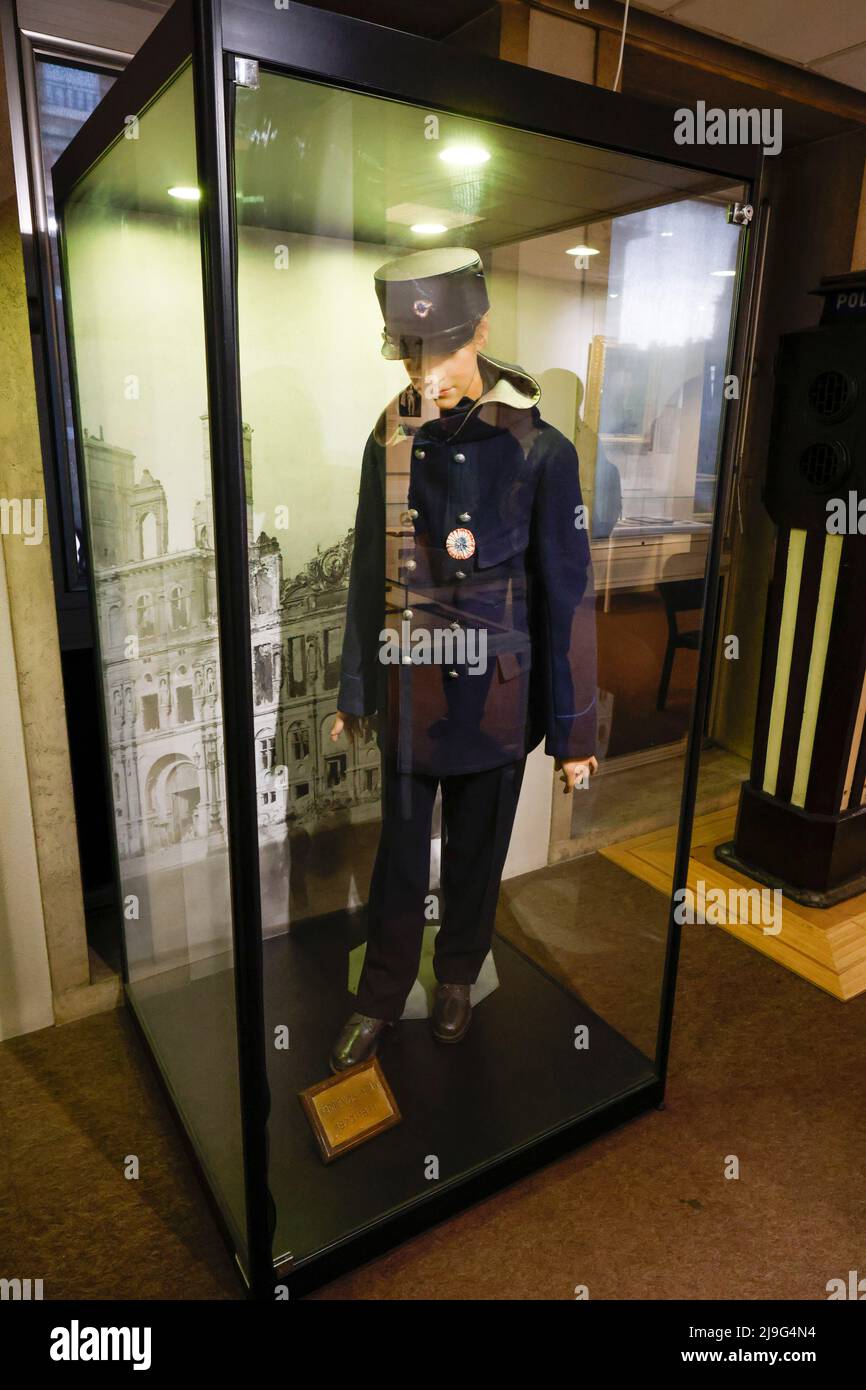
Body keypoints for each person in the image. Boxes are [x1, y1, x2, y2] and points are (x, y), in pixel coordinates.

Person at [329, 247, 598, 1072]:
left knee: (478, 852)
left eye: (437, 350)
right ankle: (380, 994)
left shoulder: (541, 451)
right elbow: (369, 570)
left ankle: (455, 975)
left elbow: (567, 594)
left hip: (495, 698)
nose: (423, 371)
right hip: (413, 690)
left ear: (478, 330)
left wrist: (575, 731)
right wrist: (355, 687)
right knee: (400, 855)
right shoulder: (392, 436)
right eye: (408, 353)